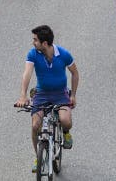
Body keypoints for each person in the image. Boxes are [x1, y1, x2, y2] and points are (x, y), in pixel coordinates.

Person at [14, 25, 79, 173]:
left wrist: (73, 95)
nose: (33, 43)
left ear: (44, 43)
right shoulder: (33, 54)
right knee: (35, 125)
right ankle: (38, 156)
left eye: (35, 40)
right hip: (41, 93)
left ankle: (65, 133)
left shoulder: (63, 54)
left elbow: (75, 73)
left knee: (65, 121)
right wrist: (23, 96)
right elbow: (27, 74)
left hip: (60, 94)